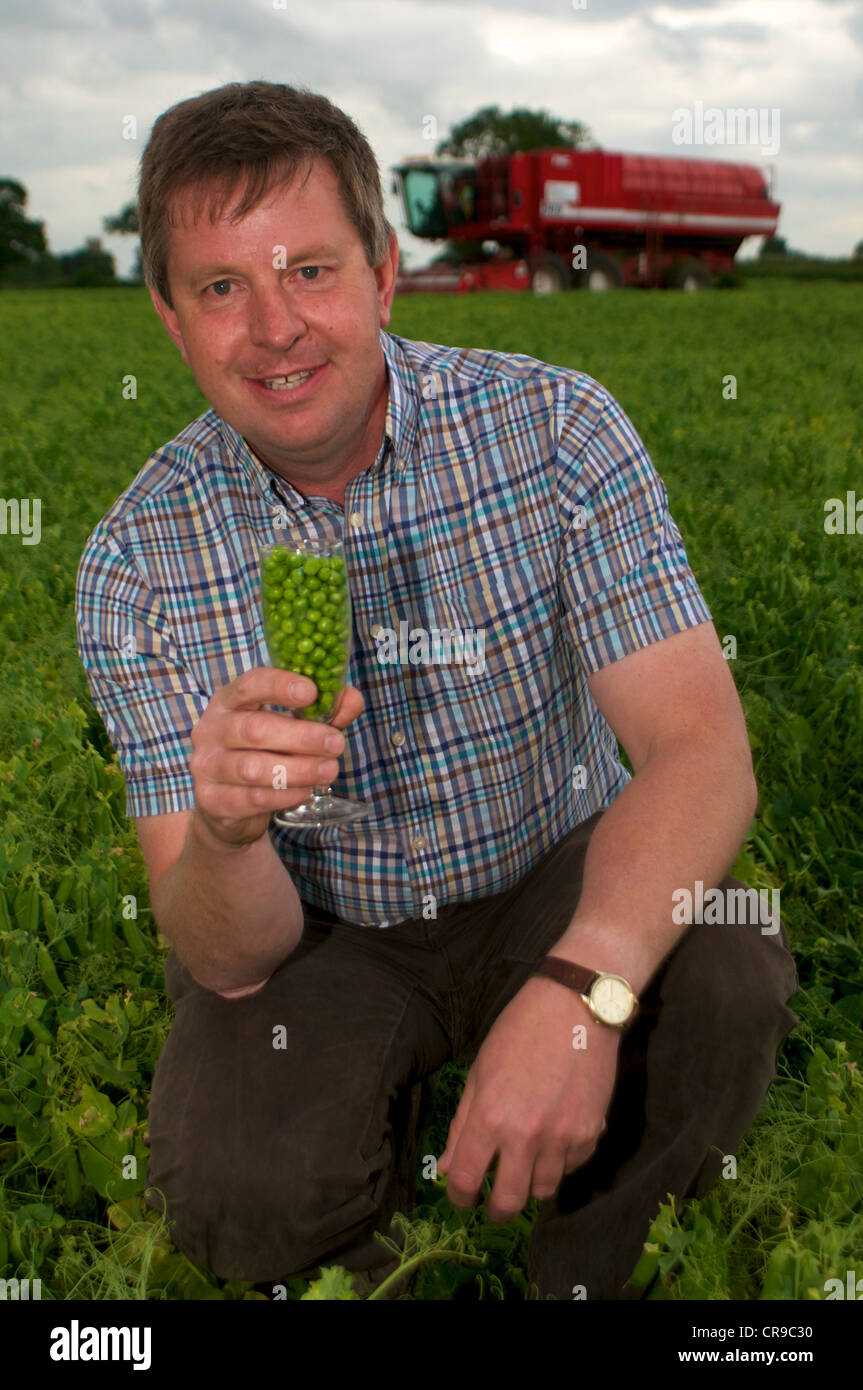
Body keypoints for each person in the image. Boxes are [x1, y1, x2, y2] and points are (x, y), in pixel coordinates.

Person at [75, 80, 799, 1301]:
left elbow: (698, 754)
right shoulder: (133, 564)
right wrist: (226, 828)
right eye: (220, 288)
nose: (274, 328)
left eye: (309, 269)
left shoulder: (554, 429)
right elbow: (230, 955)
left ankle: (588, 1265)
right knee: (231, 1190)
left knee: (726, 958)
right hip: (324, 931)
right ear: (168, 317)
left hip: (546, 862)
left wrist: (584, 985)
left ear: (382, 272)